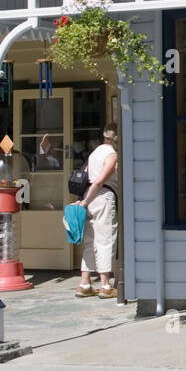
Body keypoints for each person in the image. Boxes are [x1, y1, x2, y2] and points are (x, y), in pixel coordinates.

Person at [75, 123, 119, 298]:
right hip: (103, 196)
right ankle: (105, 285)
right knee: (105, 239)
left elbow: (86, 177)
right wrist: (86, 201)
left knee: (90, 241)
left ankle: (84, 283)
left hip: (89, 197)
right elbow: (99, 181)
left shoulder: (94, 153)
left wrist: (84, 200)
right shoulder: (111, 155)